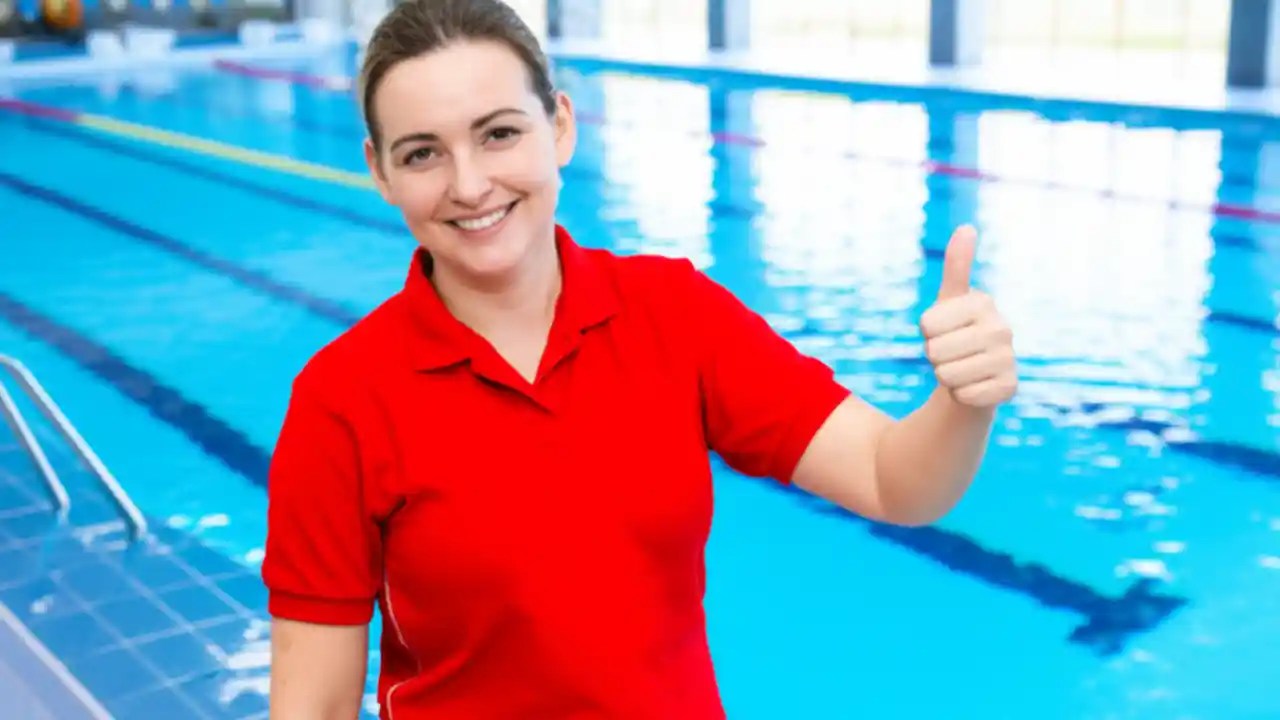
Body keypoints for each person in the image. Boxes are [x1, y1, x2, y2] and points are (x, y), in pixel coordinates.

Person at [261, 0, 1018, 717]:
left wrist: (963, 403)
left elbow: (893, 481)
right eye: (423, 153)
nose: (469, 184)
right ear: (380, 170)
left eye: (498, 134)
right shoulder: (342, 400)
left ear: (558, 126)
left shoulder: (671, 314)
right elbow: (315, 704)